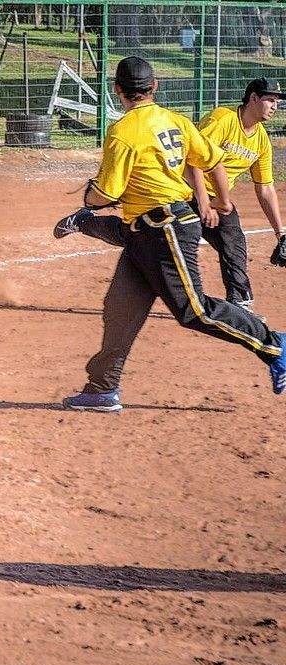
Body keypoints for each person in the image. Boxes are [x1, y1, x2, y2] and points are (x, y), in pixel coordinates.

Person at [60, 57, 286, 412]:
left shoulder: (122, 132)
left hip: (166, 229)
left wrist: (89, 196)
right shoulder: (176, 120)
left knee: (193, 310)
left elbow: (106, 193)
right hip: (143, 231)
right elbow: (212, 159)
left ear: (117, 90)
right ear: (154, 87)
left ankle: (274, 345)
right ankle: (102, 388)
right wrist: (221, 201)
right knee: (120, 310)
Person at [55, 77, 286, 312]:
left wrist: (280, 233)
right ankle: (83, 221)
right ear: (253, 98)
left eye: (277, 101)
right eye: (270, 100)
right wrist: (203, 202)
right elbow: (192, 157)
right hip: (179, 188)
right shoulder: (223, 120)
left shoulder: (261, 141)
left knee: (233, 239)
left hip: (214, 199)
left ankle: (239, 302)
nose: (275, 106)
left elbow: (265, 188)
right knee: (136, 234)